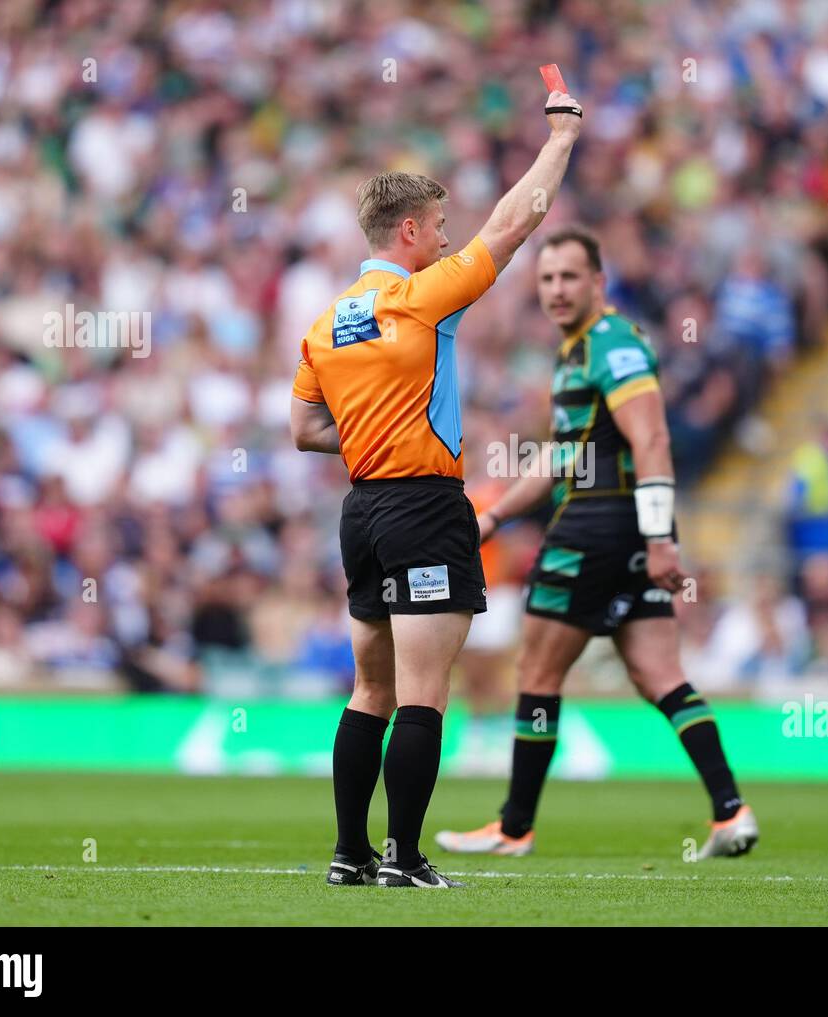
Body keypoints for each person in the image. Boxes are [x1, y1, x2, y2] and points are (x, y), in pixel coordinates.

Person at [289, 89, 584, 888]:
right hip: (423, 505)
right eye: (440, 227)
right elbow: (517, 221)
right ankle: (405, 858)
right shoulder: (420, 297)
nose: (449, 238)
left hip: (362, 512)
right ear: (410, 232)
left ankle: (349, 853)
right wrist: (560, 137)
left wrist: (370, 430)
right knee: (424, 691)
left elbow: (305, 431)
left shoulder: (326, 322)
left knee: (369, 688)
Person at [435, 226, 758, 859]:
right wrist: (496, 517)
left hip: (596, 527)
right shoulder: (577, 351)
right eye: (547, 279)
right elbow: (562, 454)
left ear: (598, 283)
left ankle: (514, 826)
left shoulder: (612, 343)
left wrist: (663, 538)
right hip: (622, 529)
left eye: (569, 277)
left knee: (536, 672)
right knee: (659, 673)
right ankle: (730, 811)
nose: (556, 290)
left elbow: (653, 439)